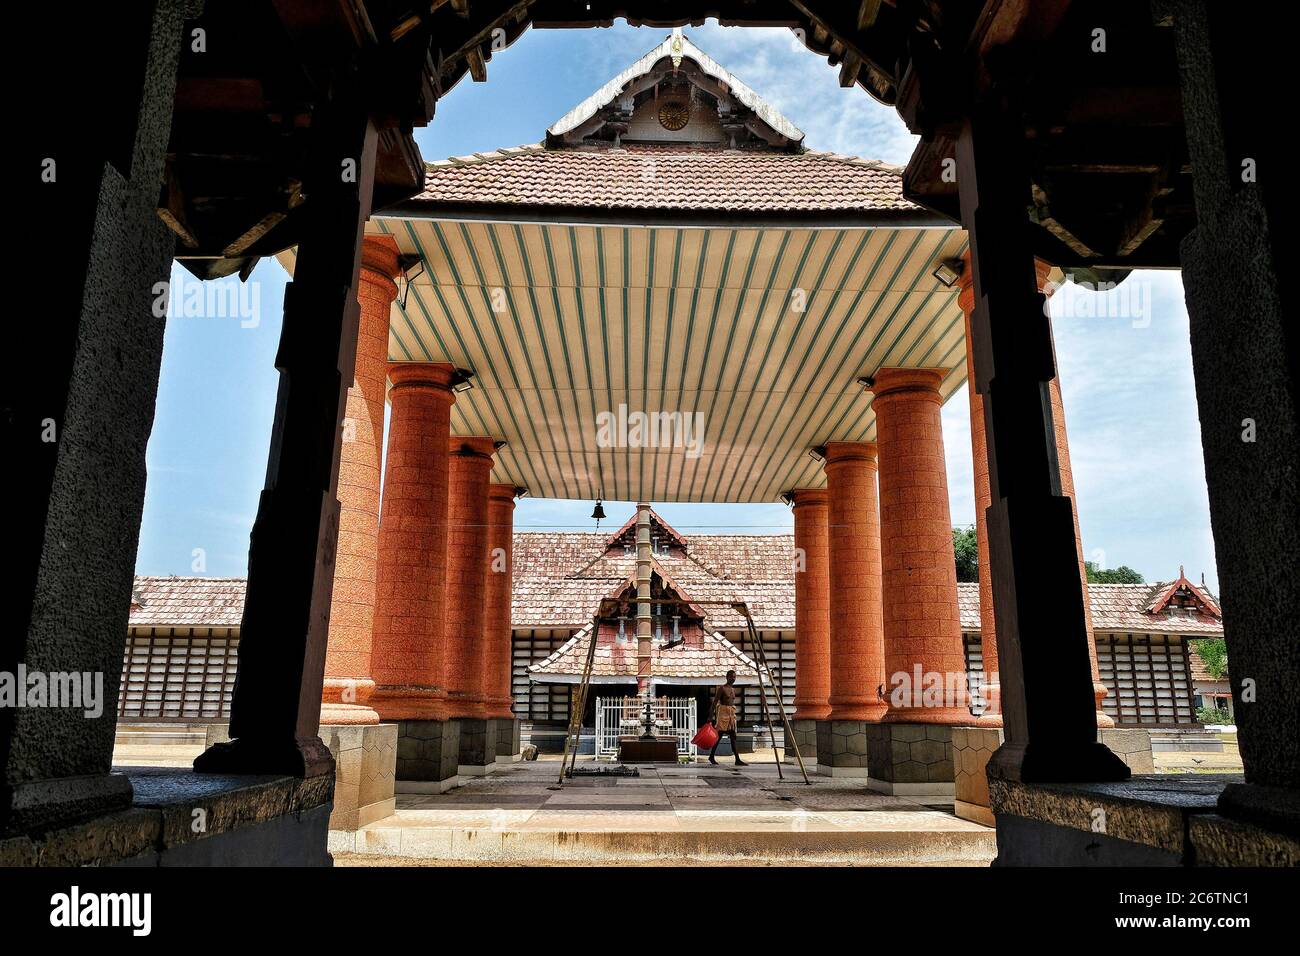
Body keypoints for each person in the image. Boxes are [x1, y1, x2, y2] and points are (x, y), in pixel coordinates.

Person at [708, 670, 746, 766]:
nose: (733, 679)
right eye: (731, 677)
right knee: (719, 735)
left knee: (733, 736)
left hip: (731, 715)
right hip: (723, 714)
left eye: (734, 677)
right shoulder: (722, 688)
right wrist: (710, 717)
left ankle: (737, 759)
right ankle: (711, 756)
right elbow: (715, 702)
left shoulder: (733, 690)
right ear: (727, 677)